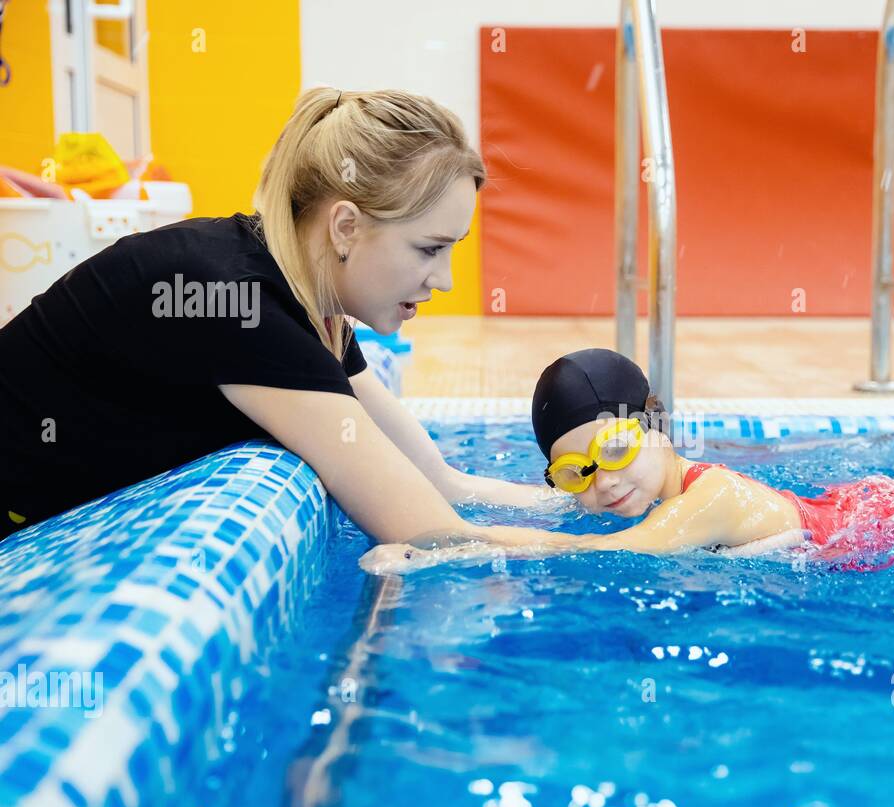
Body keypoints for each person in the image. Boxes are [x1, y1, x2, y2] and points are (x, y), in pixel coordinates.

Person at [0, 88, 563, 548]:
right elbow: (435, 537)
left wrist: (579, 500)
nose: (445, 281)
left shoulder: (306, 299)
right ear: (345, 227)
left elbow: (438, 481)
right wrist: (635, 546)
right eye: (428, 249)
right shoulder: (234, 302)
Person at [360, 237, 894, 573]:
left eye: (616, 450)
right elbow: (488, 489)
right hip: (845, 512)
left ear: (655, 425)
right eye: (576, 473)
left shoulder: (709, 496)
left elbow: (604, 554)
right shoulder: (636, 495)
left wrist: (448, 545)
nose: (602, 481)